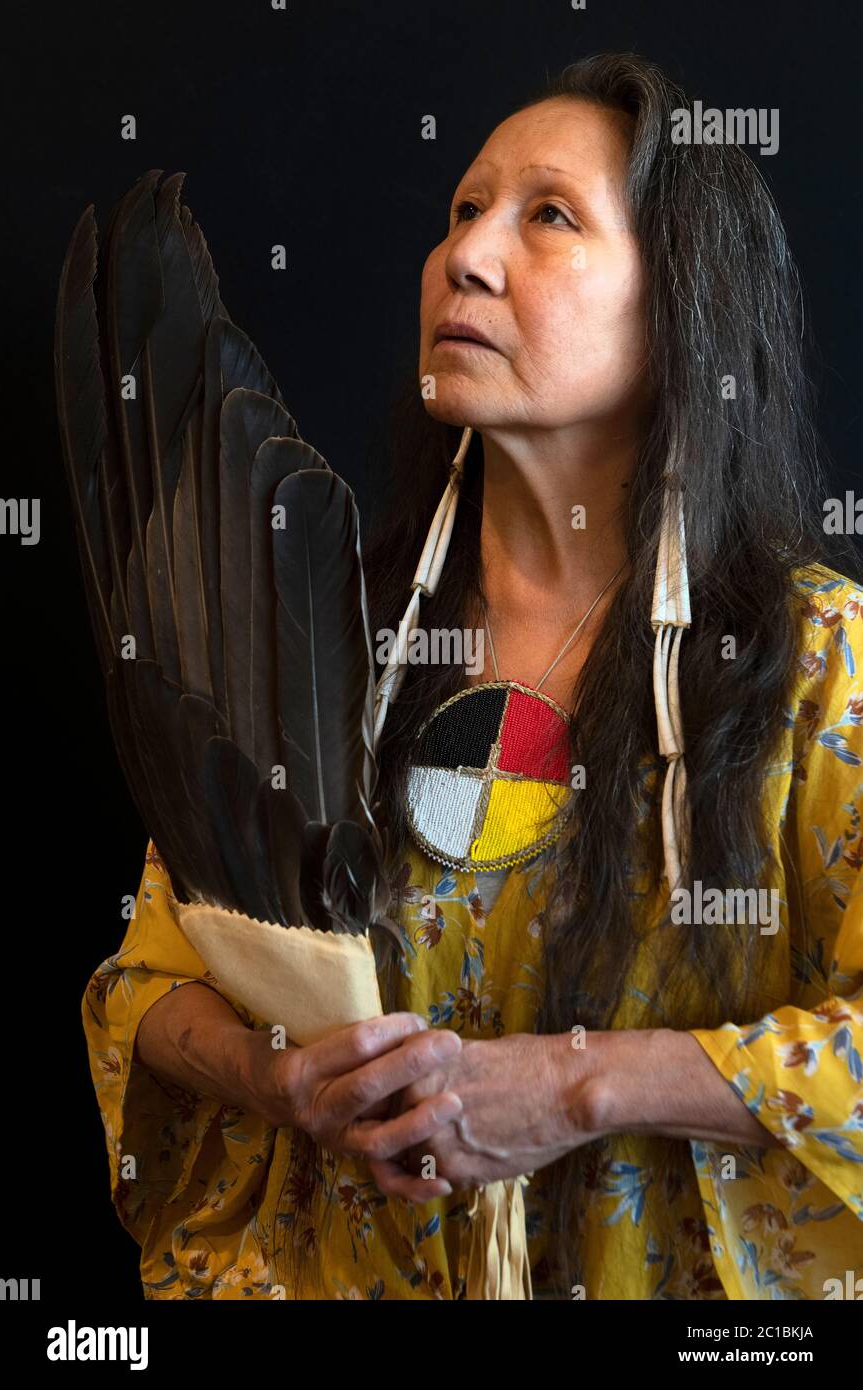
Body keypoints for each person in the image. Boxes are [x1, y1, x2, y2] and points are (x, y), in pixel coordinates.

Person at [82, 52, 863, 1300]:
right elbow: (149, 984)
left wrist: (574, 1083)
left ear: (680, 307)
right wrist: (279, 1074)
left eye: (547, 215)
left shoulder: (815, 662)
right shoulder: (323, 634)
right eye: (461, 211)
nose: (468, 255)